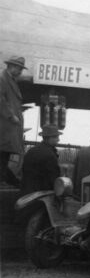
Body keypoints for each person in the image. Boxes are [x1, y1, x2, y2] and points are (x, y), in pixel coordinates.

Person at [0, 56, 26, 186]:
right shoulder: (2, 78)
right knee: (2, 158)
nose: (21, 71)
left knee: (3, 159)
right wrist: (11, 116)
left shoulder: (10, 80)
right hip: (5, 127)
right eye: (19, 68)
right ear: (12, 66)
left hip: (8, 129)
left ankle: (6, 181)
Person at [19, 124, 62, 196]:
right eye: (56, 137)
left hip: (26, 194)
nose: (59, 139)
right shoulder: (50, 155)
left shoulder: (31, 151)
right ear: (50, 138)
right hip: (41, 196)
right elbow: (53, 180)